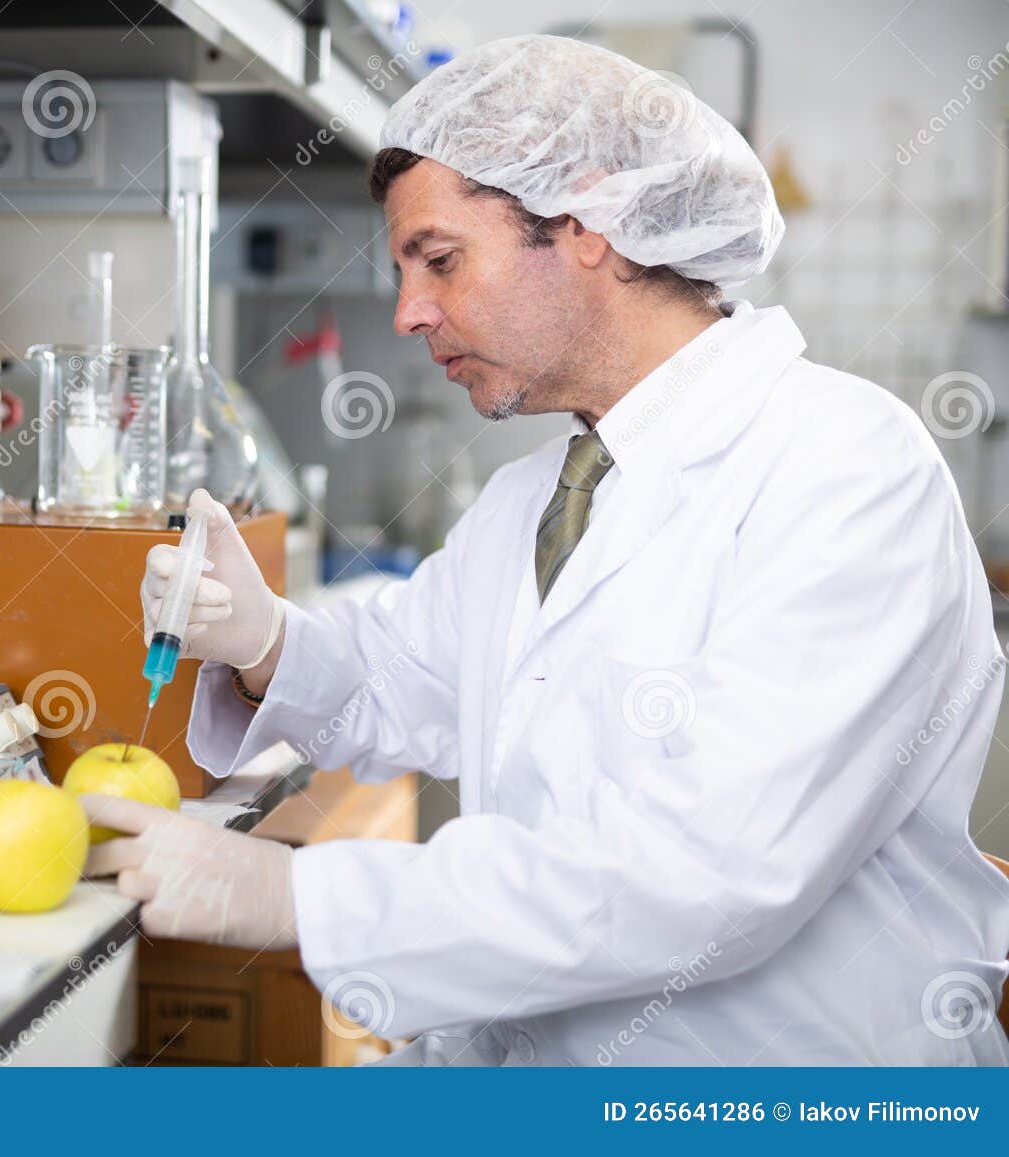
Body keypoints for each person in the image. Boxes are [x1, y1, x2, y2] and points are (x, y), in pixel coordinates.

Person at [80, 33, 1009, 1065]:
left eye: (438, 259)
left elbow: (713, 872)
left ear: (585, 225)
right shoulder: (538, 498)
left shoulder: (842, 465)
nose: (409, 312)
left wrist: (301, 894)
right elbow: (406, 679)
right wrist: (259, 638)